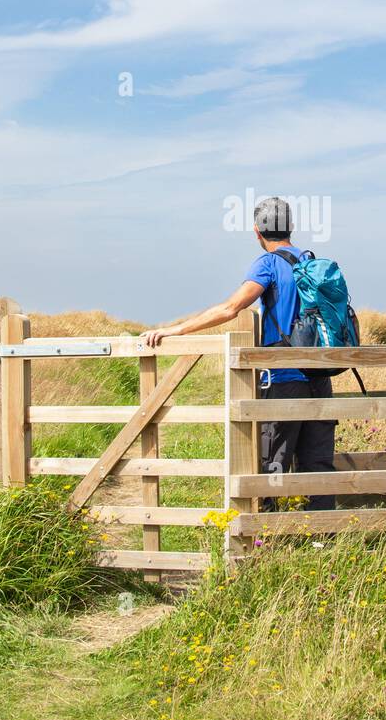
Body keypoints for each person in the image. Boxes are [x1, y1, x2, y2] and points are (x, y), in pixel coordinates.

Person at [138, 196, 336, 509]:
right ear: (292, 227)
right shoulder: (313, 263)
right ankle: (324, 538)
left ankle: (264, 538)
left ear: (257, 231)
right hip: (320, 377)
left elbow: (232, 307)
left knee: (272, 463)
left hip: (284, 378)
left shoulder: (269, 263)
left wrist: (175, 330)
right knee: (319, 462)